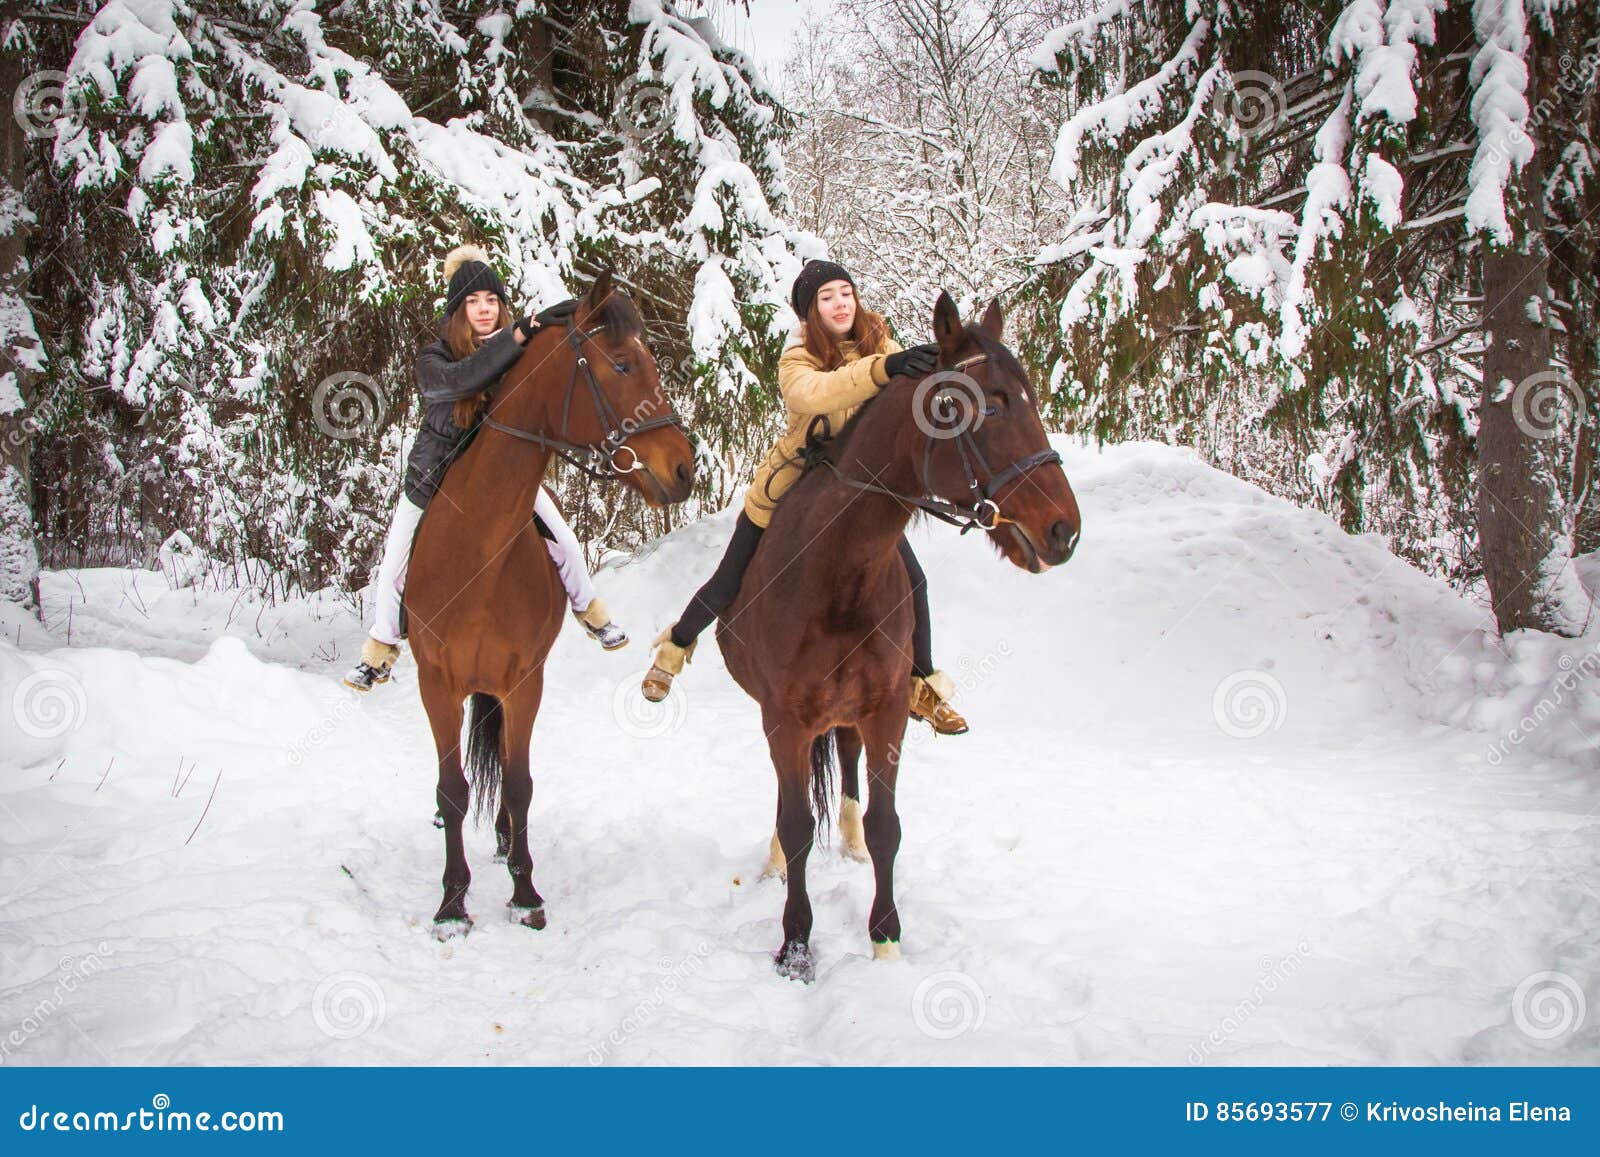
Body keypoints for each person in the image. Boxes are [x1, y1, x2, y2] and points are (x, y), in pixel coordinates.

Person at [639, 259, 969, 734]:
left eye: (846, 292)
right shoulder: (798, 355)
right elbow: (812, 394)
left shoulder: (884, 343)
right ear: (810, 311)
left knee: (913, 583)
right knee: (728, 582)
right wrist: (885, 368)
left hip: (862, 492)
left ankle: (924, 686)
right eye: (827, 297)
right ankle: (672, 651)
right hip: (796, 479)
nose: (841, 303)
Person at [343, 245, 627, 692]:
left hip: (505, 480)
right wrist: (519, 333)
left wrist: (575, 324)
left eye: (491, 300)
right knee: (395, 564)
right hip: (436, 477)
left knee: (564, 541)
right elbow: (464, 380)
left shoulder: (517, 346)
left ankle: (590, 611)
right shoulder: (434, 358)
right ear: (458, 310)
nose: (483, 309)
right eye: (473, 302)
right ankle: (381, 648)